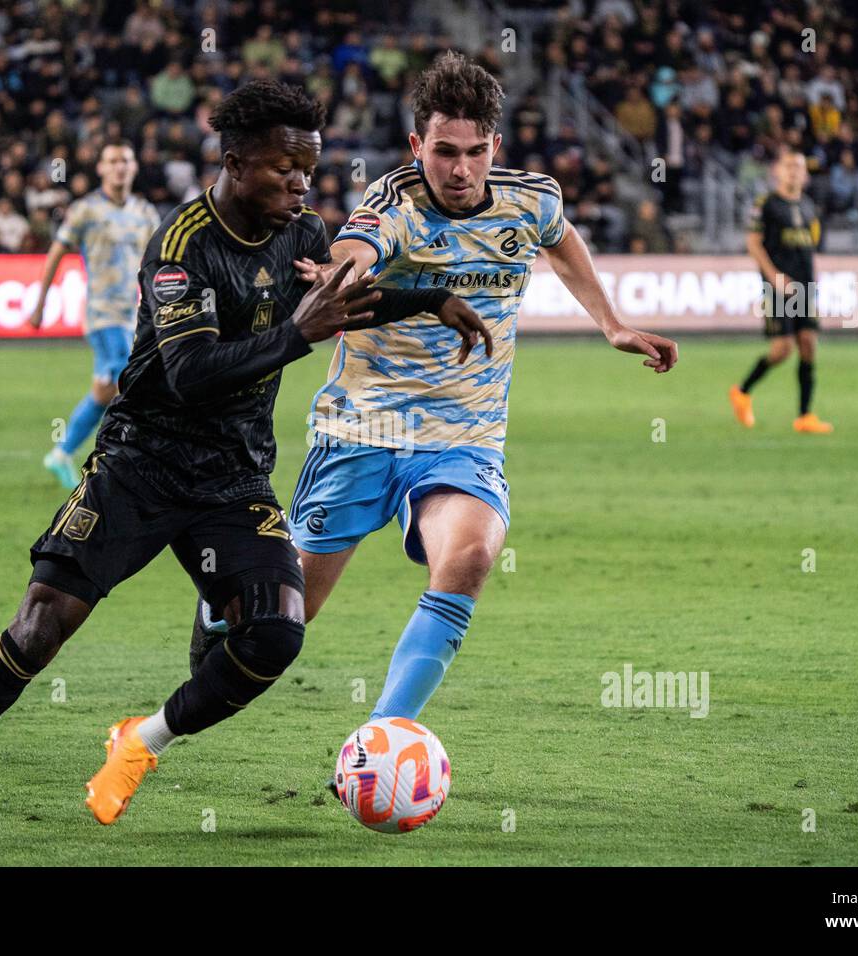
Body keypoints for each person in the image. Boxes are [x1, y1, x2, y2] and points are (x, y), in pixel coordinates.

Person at [0, 80, 489, 844]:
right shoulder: (181, 247)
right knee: (39, 630)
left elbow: (345, 295)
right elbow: (191, 372)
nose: (302, 187)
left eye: (310, 169)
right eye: (283, 170)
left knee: (274, 636)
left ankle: (140, 742)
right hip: (142, 464)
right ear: (235, 163)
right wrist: (298, 334)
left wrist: (430, 298)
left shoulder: (299, 232)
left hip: (233, 476)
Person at [193, 52, 677, 738]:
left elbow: (561, 241)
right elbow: (356, 251)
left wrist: (613, 324)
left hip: (463, 434)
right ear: (417, 145)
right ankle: (222, 611)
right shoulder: (392, 204)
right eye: (443, 151)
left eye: (475, 152)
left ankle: (385, 737)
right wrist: (335, 269)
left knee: (472, 555)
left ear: (495, 148)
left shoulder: (531, 198)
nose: (460, 169)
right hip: (364, 428)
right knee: (280, 620)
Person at [29, 140, 161, 489]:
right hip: (103, 315)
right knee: (130, 382)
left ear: (134, 168)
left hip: (133, 316)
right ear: (101, 168)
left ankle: (62, 453)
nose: (119, 166)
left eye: (125, 160)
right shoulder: (86, 210)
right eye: (112, 160)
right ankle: (134, 461)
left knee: (104, 392)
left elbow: (157, 264)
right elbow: (57, 251)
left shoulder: (145, 213)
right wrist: (40, 302)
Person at [729, 150, 833, 433]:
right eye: (789, 166)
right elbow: (753, 243)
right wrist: (773, 276)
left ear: (806, 175)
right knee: (782, 349)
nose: (794, 172)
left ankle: (805, 416)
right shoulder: (766, 205)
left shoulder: (809, 207)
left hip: (805, 285)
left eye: (799, 167)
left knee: (809, 344)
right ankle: (742, 391)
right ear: (777, 171)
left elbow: (808, 248)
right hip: (778, 286)